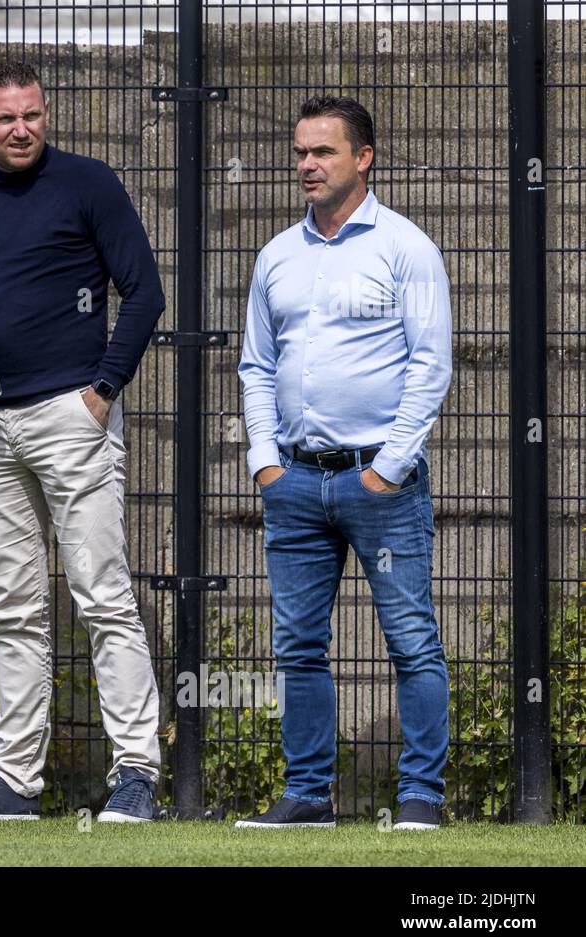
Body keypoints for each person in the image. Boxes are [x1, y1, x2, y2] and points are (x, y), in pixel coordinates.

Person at [0, 61, 166, 823]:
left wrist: (103, 392)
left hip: (73, 416)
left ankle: (136, 773)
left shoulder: (89, 183)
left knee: (103, 595)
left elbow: (145, 292)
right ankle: (13, 783)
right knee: (15, 605)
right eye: (4, 118)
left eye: (31, 114)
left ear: (46, 112)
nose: (21, 129)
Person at [236, 95, 452, 830]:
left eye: (323, 151)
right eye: (300, 151)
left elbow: (430, 365)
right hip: (294, 482)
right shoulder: (276, 255)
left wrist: (388, 467)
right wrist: (266, 461)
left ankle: (421, 795)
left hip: (379, 485)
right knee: (297, 643)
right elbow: (256, 367)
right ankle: (307, 796)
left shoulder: (407, 248)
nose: (306, 164)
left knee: (411, 637)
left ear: (363, 158)